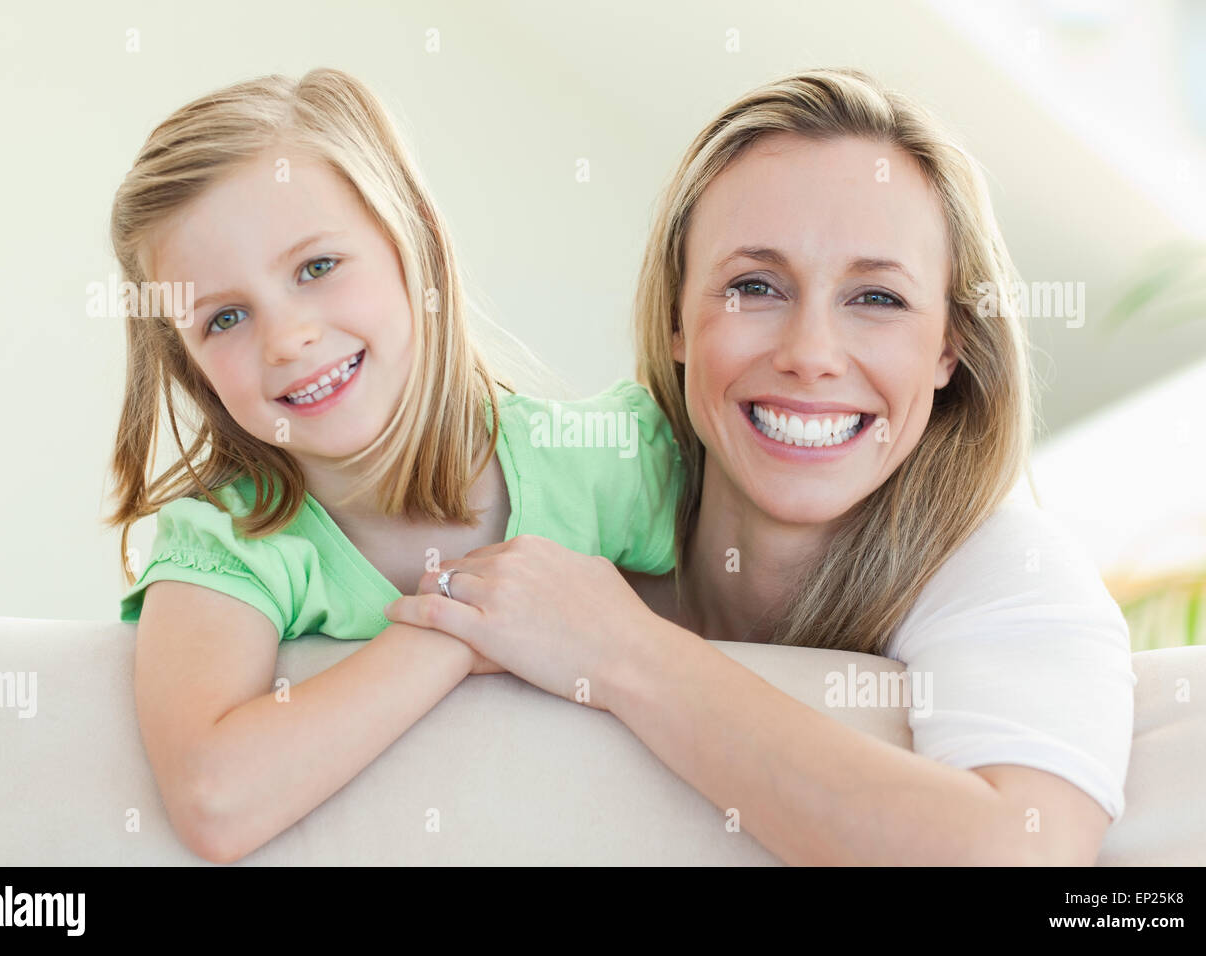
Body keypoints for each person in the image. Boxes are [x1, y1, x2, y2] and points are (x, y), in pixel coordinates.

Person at [385, 68, 1137, 866]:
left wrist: (623, 652)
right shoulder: (561, 495)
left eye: (876, 298)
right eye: (754, 286)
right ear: (678, 318)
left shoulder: (1007, 570)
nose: (809, 355)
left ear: (949, 345)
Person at [103, 68, 680, 864]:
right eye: (225, 318)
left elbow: (783, 642)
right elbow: (215, 801)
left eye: (316, 268)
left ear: (413, 240)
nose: (286, 338)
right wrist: (461, 627)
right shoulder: (228, 542)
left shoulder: (610, 460)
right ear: (194, 365)